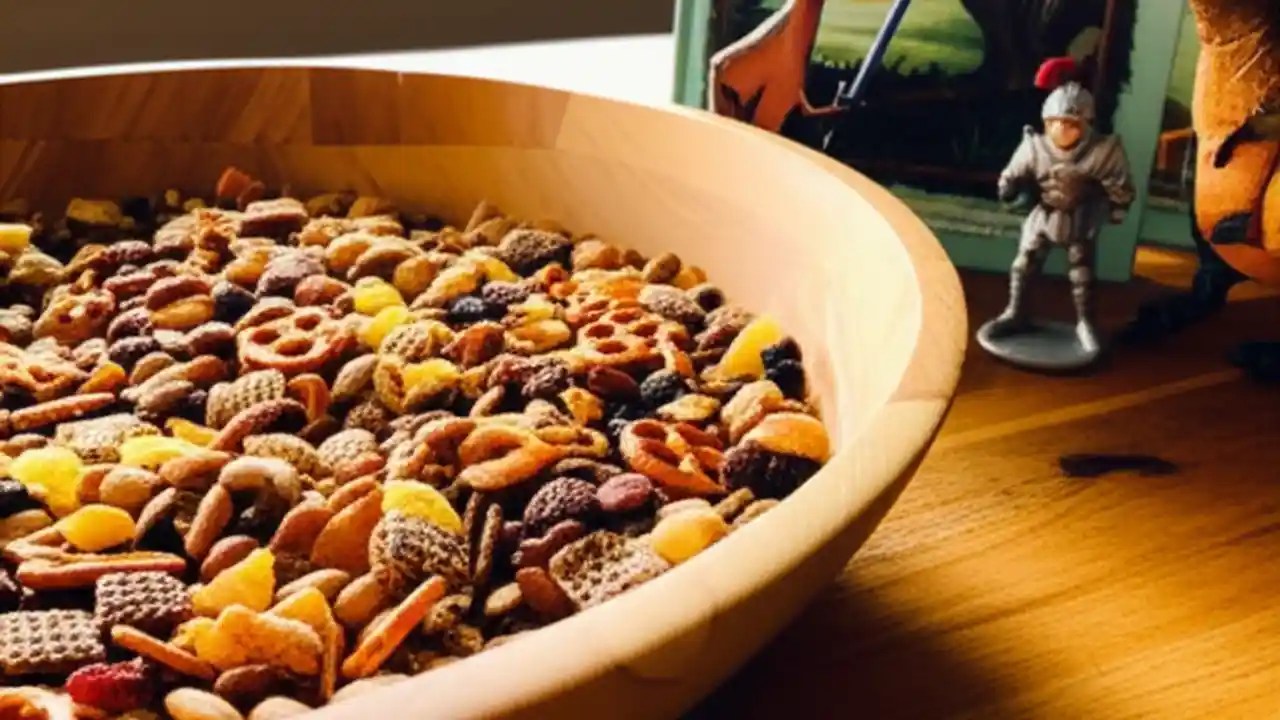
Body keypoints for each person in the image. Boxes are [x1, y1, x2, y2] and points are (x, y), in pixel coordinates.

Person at [987, 57, 1136, 353]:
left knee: (1081, 272)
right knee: (1023, 264)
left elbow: (1119, 186)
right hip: (1044, 214)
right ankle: (1015, 313)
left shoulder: (1102, 151)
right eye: (1055, 123)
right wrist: (1008, 187)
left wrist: (1117, 207)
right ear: (1046, 122)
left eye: (1070, 124)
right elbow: (1012, 175)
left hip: (1080, 216)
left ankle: (1086, 323)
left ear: (1085, 124)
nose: (1061, 130)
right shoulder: (1034, 146)